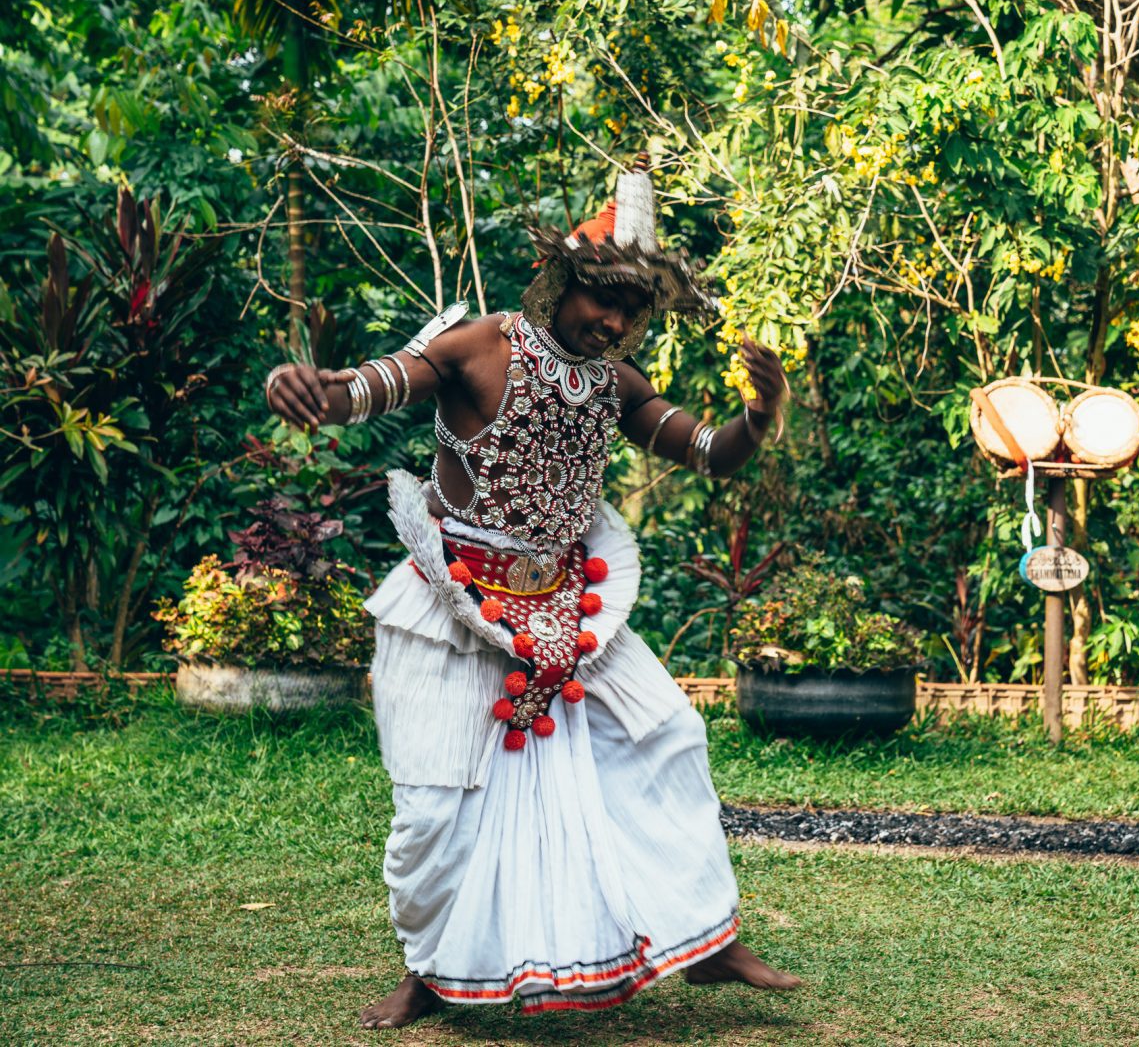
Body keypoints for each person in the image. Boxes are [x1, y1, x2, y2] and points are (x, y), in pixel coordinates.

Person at [265, 154, 801, 1029]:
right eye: (603, 299)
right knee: (434, 807)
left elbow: (710, 453)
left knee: (668, 731)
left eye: (633, 309)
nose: (614, 320)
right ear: (558, 281)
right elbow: (370, 388)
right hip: (452, 602)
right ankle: (428, 971)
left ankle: (703, 937)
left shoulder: (616, 385)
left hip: (566, 605)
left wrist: (759, 416)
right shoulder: (479, 346)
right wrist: (319, 393)